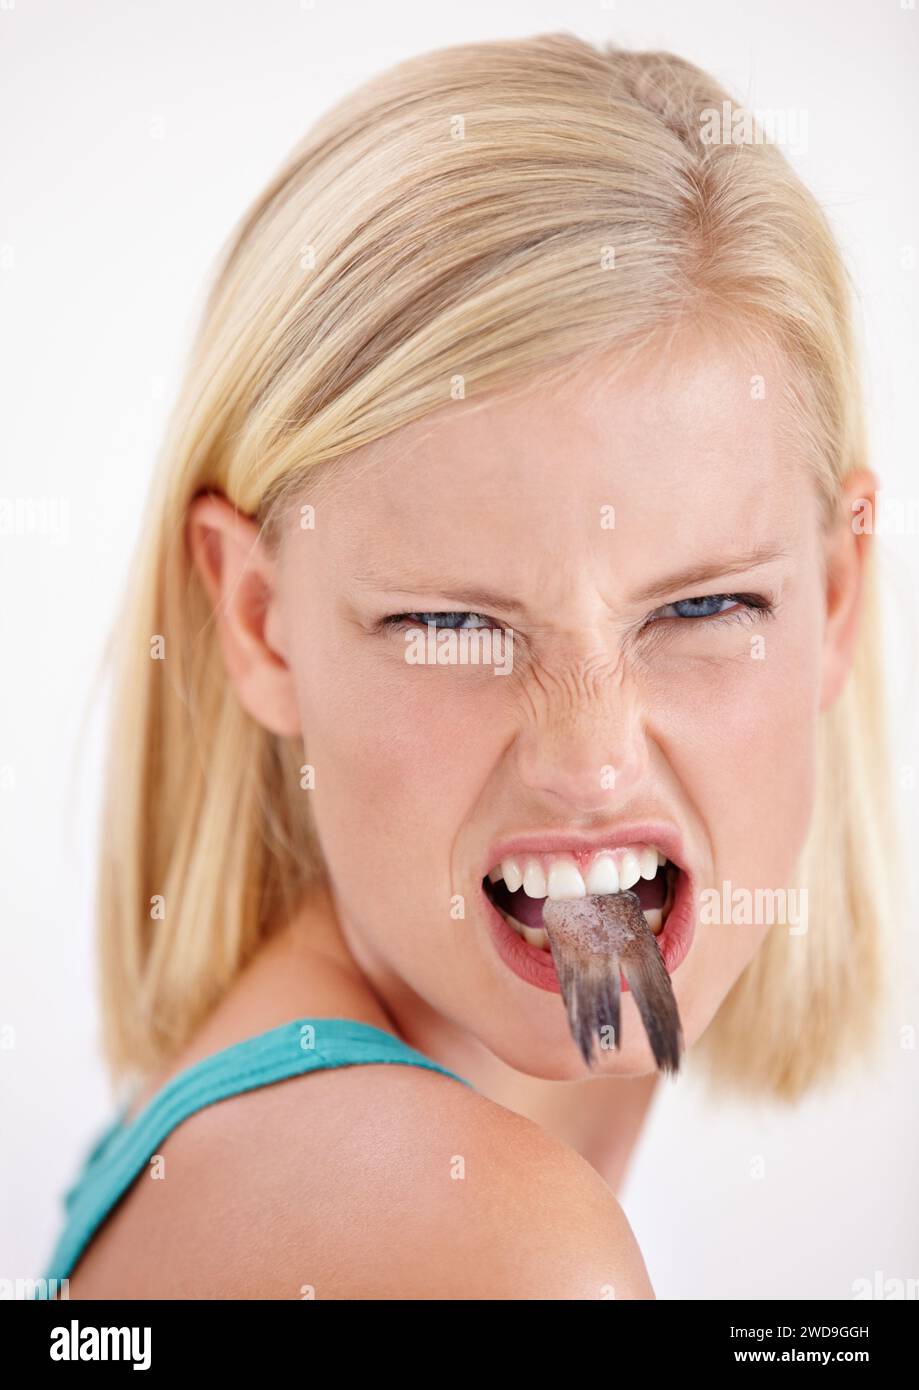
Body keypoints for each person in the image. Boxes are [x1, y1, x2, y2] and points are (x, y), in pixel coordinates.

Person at [37, 32, 895, 1300]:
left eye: (704, 603)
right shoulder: (493, 1251)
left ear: (835, 599)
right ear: (259, 620)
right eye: (454, 627)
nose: (592, 763)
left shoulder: (267, 1144)